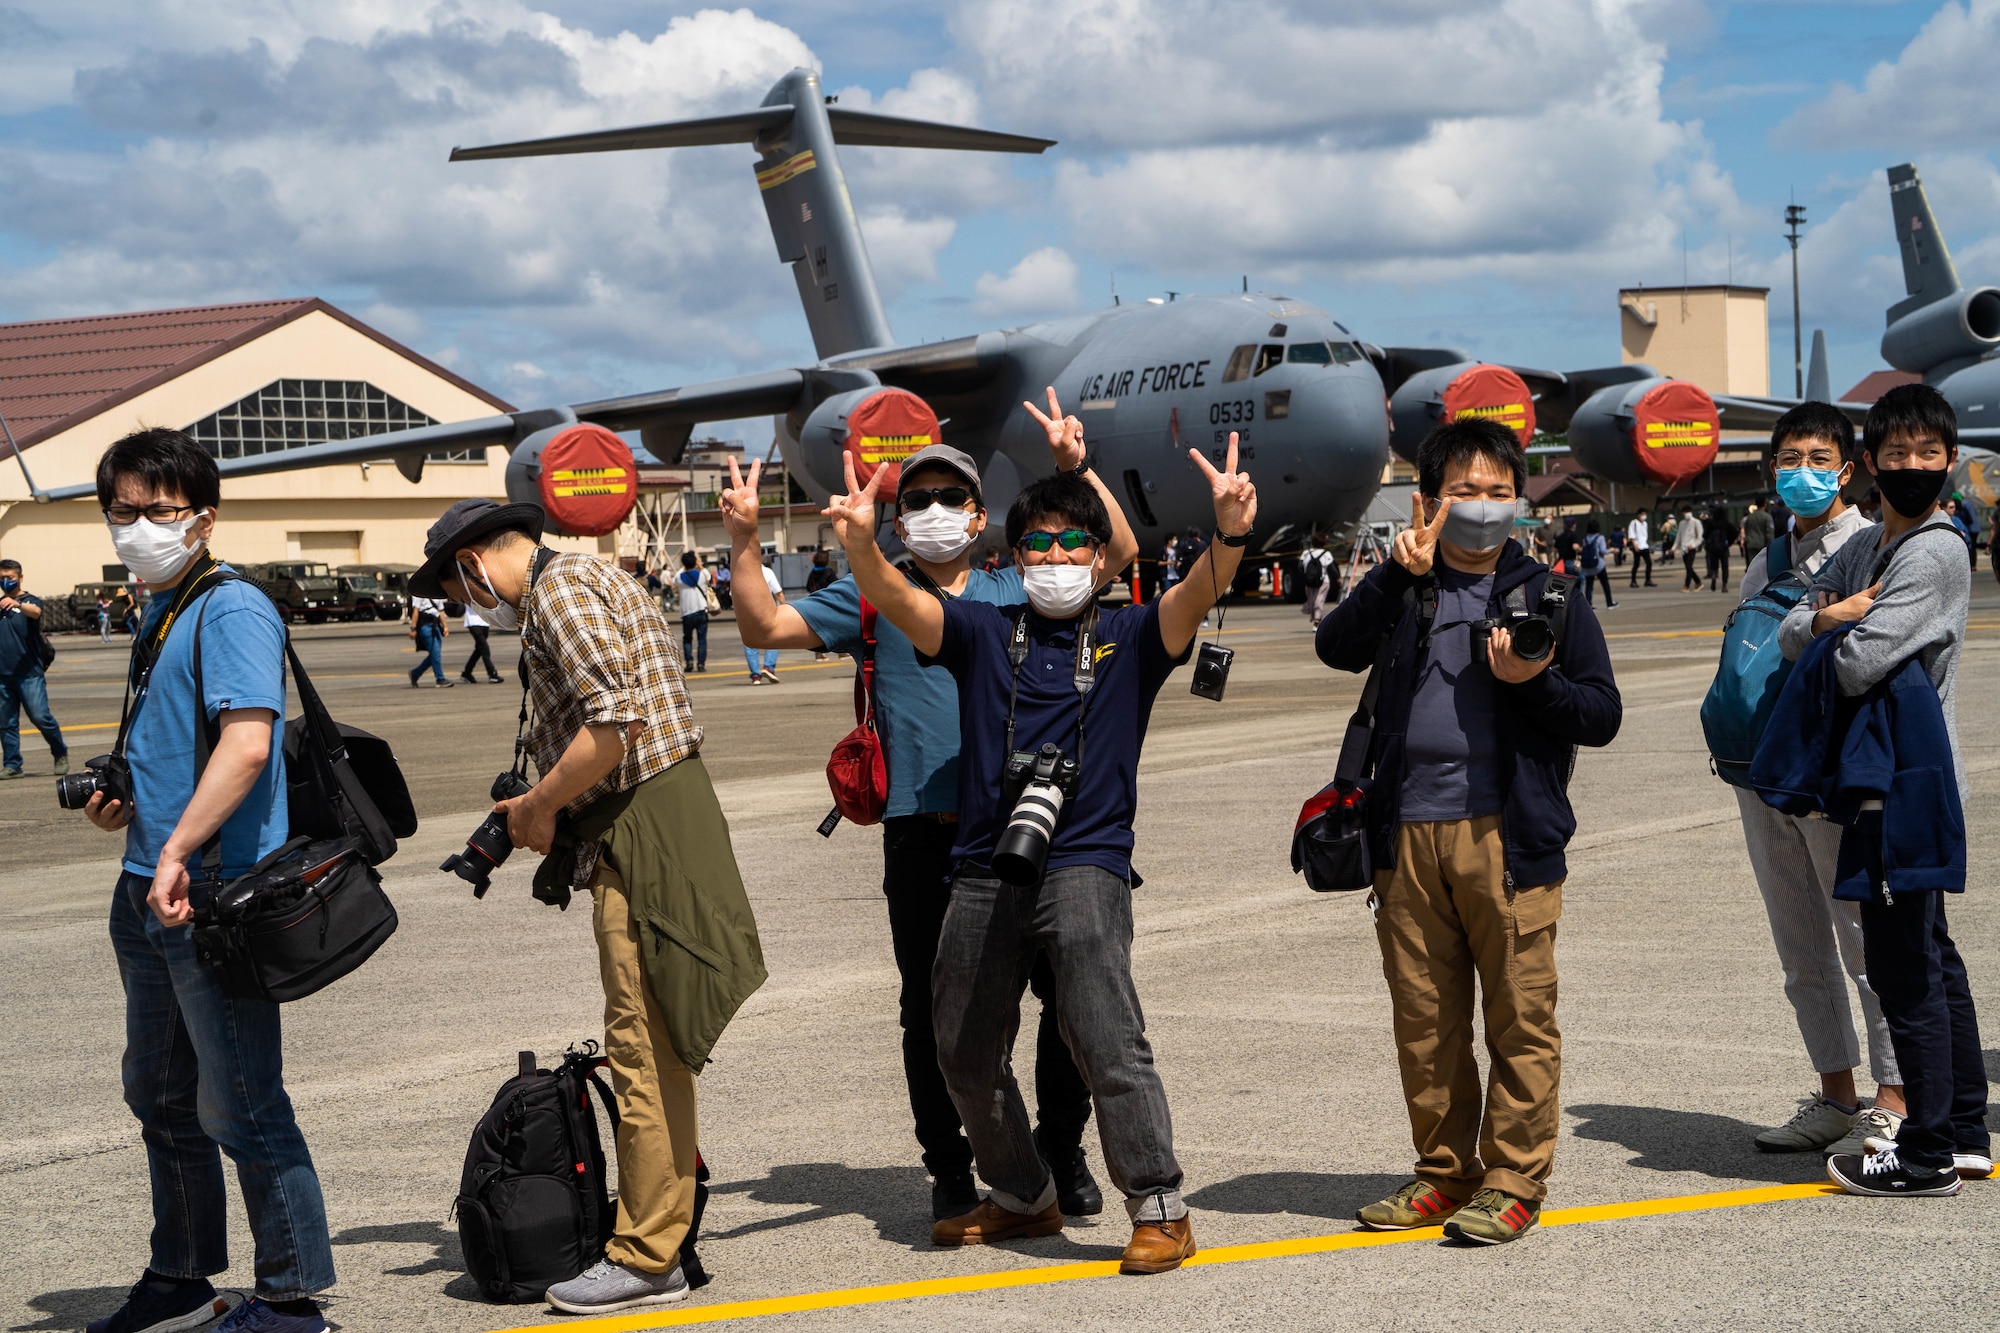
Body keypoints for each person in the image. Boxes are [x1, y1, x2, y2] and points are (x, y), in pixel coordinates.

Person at [823, 413, 1255, 1276]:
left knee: (1102, 1029)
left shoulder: (1132, 637)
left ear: (1100, 559)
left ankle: (1161, 1203)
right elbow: (901, 599)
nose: (1055, 560)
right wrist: (862, 546)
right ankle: (1023, 1191)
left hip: (1086, 857)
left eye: (1071, 546)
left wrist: (1233, 531)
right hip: (985, 862)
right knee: (962, 1043)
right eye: (1038, 547)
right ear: (1013, 560)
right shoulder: (984, 632)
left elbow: (1199, 592)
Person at [725, 392, 1136, 1222]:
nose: (935, 511)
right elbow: (763, 623)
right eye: (916, 500)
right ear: (896, 517)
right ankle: (951, 1165)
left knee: (1065, 1001)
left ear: (982, 517)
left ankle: (1062, 1147)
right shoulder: (873, 592)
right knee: (931, 1013)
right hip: (922, 834)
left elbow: (1116, 553)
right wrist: (741, 538)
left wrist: (1073, 470)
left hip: (1036, 827)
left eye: (952, 498)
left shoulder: (1016, 584)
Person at [420, 497, 765, 1312]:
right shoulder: (584, 574)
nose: (467, 604)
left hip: (641, 823)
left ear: (472, 564)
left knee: (641, 1047)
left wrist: (539, 805)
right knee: (659, 1046)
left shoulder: (560, 592)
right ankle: (660, 1232)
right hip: (654, 816)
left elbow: (612, 725)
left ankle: (647, 1255)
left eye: (457, 587)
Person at [1317, 416, 1622, 1245]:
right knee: (1426, 1019)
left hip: (1508, 837)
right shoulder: (1404, 585)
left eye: (1497, 491)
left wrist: (1532, 682)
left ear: (1518, 500)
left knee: (1520, 1014)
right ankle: (1442, 1172)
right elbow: (1333, 647)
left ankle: (1515, 1179)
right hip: (1406, 836)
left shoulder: (1550, 593)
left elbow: (1600, 713)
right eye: (1464, 491)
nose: (1482, 506)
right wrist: (1388, 576)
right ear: (1429, 501)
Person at [80, 427, 333, 1333]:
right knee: (159, 1090)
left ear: (203, 517)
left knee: (242, 1101)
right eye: (123, 510)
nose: (139, 525)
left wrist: (181, 846)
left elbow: (249, 740)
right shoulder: (162, 603)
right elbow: (179, 746)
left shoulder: (227, 606)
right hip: (149, 882)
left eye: (160, 510)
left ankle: (293, 1297)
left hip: (212, 890)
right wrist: (132, 810)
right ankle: (182, 1273)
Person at [1778, 384, 1990, 1198]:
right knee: (1932, 961)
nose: (1911, 467)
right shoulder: (1867, 549)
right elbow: (1798, 626)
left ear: (1948, 461)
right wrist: (1838, 616)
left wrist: (1841, 624)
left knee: (1905, 973)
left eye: (1926, 454)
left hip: (1903, 784)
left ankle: (1928, 1151)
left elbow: (1861, 661)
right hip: (1877, 783)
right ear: (1871, 463)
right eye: (1895, 454)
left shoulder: (1932, 549)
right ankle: (1966, 1131)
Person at [1728, 402, 1905, 1158]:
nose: (1804, 469)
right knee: (1798, 942)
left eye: (1819, 456)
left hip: (1836, 772)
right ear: (1771, 470)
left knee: (1867, 939)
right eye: (1790, 456)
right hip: (1762, 770)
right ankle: (1835, 1092)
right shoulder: (1764, 560)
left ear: (1848, 467)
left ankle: (1893, 1099)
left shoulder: (1873, 548)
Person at [0, 559, 69, 780]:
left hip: (29, 674)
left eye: (10, 577)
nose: (6, 581)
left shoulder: (29, 601)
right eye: (2, 577)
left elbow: (36, 612)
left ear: (20, 578)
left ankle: (59, 750)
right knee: (6, 723)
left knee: (40, 717)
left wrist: (17, 603)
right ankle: (12, 764)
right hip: (3, 675)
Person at [743, 562, 784, 684]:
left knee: (750, 642)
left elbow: (733, 595)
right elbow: (778, 593)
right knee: (774, 637)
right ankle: (768, 667)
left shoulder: (740, 573)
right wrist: (785, 607)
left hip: (747, 611)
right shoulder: (767, 572)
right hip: (767, 610)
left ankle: (755, 676)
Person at [675, 552, 711, 673]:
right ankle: (701, 663)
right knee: (702, 639)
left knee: (687, 639)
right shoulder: (702, 575)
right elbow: (707, 575)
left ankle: (689, 662)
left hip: (687, 612)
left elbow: (676, 576)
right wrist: (699, 564)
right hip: (701, 610)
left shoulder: (680, 578)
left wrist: (684, 565)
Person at [406, 593, 452, 687]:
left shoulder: (436, 592)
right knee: (435, 653)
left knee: (435, 654)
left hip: (436, 625)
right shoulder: (419, 593)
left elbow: (441, 611)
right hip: (425, 625)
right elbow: (416, 611)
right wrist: (413, 629)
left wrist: (445, 626)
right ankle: (440, 679)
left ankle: (415, 673)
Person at [459, 596, 503, 684]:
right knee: (485, 649)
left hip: (484, 623)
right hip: (473, 622)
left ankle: (467, 673)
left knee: (479, 650)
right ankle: (492, 673)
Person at [1298, 531, 1337, 627]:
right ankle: (1317, 620)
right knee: (1319, 600)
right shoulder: (1326, 554)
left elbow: (1300, 566)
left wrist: (1309, 573)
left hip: (1309, 580)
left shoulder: (1306, 553)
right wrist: (1337, 578)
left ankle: (1316, 618)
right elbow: (1332, 568)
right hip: (1323, 580)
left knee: (1312, 600)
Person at [1577, 520, 1616, 608]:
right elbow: (1602, 550)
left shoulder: (1585, 539)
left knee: (1589, 586)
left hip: (1587, 565)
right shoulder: (1600, 538)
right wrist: (1612, 550)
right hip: (1599, 565)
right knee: (1605, 584)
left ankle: (1588, 604)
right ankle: (1609, 603)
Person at [1704, 505, 1737, 593]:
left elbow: (1705, 534)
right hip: (1724, 547)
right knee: (1725, 567)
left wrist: (1708, 542)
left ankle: (1714, 576)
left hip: (1713, 548)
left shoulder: (1711, 523)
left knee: (1714, 566)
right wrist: (1729, 542)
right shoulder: (1726, 524)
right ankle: (1724, 585)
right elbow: (1734, 532)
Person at [1675, 506, 1704, 591]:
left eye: (1688, 511)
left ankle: (1686, 585)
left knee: (1688, 566)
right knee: (1689, 567)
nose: (1686, 514)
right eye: (1685, 512)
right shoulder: (1681, 523)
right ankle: (1698, 582)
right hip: (1684, 548)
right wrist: (1674, 547)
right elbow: (1678, 537)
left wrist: (1694, 545)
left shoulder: (1696, 522)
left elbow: (1700, 537)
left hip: (1692, 548)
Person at [1625, 510, 1654, 588]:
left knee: (1649, 563)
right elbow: (1631, 534)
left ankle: (1648, 580)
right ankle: (1633, 581)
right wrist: (1635, 545)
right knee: (1636, 564)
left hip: (1644, 545)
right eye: (1643, 514)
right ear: (1639, 515)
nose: (1644, 516)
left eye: (1645, 514)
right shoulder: (1633, 523)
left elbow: (1645, 535)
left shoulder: (1645, 523)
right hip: (1637, 546)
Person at [1740, 500, 1774, 564]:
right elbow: (1769, 533)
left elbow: (1746, 529)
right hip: (1762, 544)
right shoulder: (1767, 517)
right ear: (1764, 504)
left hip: (1751, 544)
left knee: (1752, 564)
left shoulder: (1749, 517)